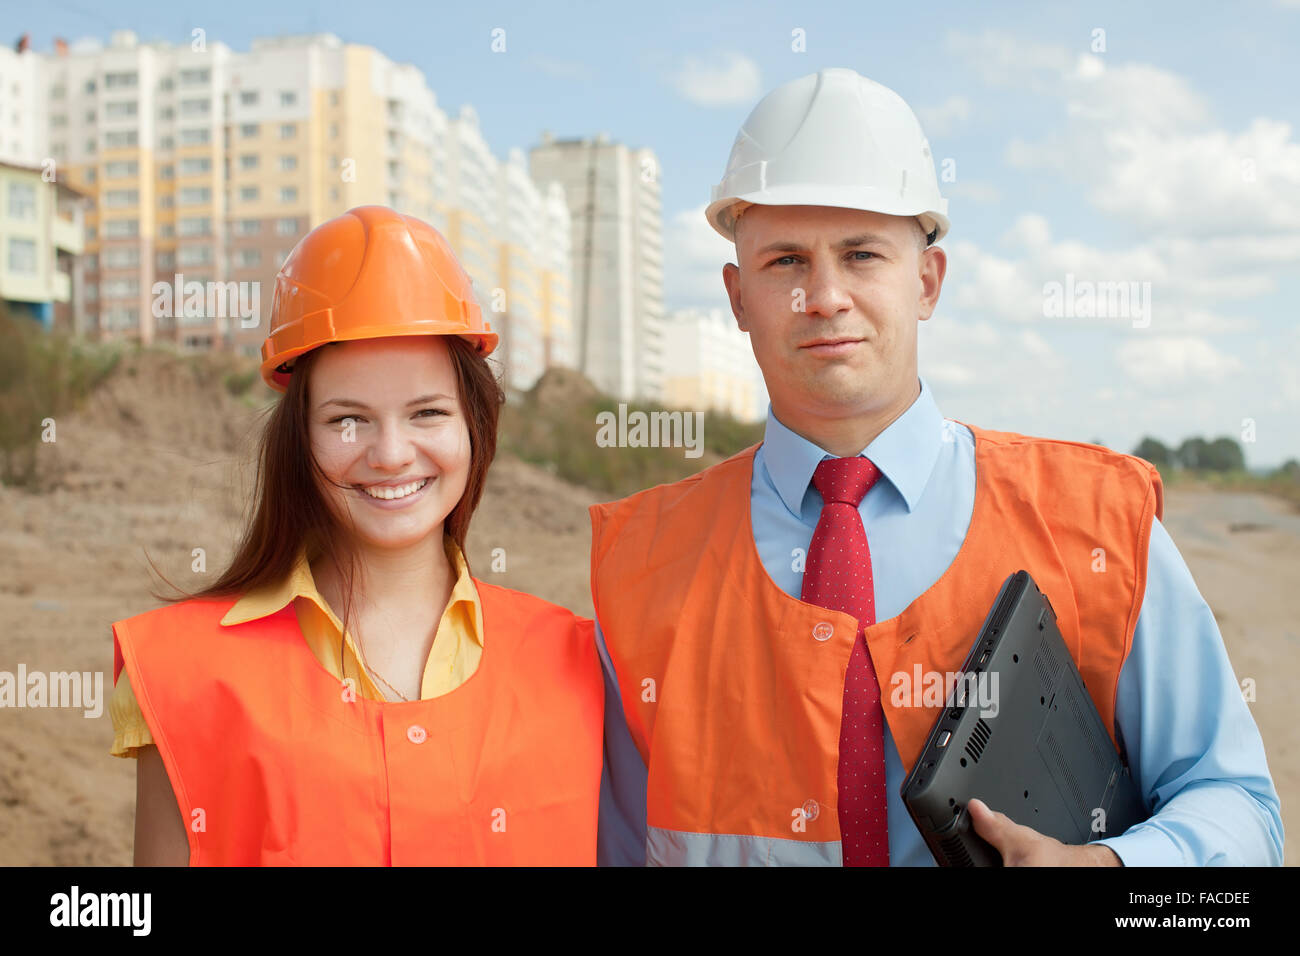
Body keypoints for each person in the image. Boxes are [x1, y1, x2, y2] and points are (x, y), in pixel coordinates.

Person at [591, 68, 1283, 866]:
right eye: (785, 261)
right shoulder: (641, 563)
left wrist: (1112, 867)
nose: (824, 296)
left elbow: (1240, 807)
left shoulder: (1097, 524)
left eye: (860, 255)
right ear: (737, 296)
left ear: (927, 281)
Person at [109, 206, 604, 865]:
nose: (392, 453)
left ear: (474, 427)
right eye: (348, 420)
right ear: (299, 437)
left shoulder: (581, 666)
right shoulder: (183, 671)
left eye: (427, 412)